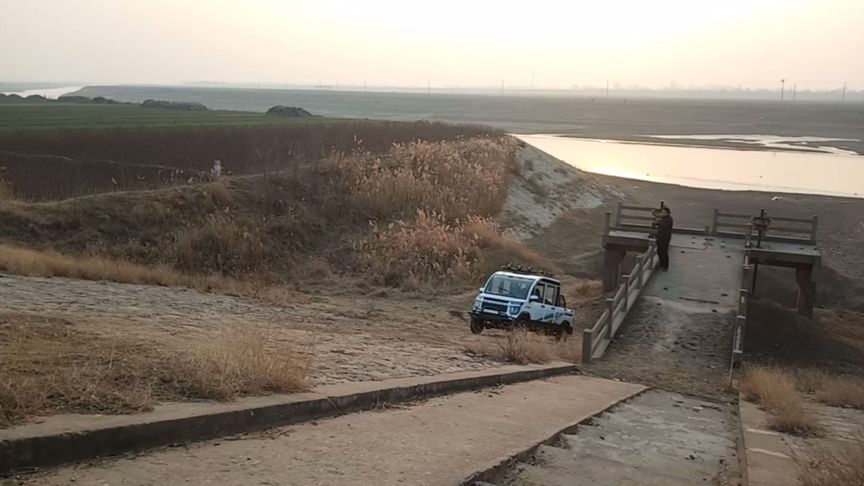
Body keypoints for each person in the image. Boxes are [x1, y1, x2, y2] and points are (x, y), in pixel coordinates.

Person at [654, 206, 674, 271]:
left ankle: (665, 266)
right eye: (662, 212)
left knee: (664, 252)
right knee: (659, 251)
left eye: (664, 212)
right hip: (659, 237)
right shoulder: (663, 218)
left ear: (668, 213)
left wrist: (657, 222)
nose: (662, 213)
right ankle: (661, 264)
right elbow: (659, 222)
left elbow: (664, 225)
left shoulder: (669, 219)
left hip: (665, 238)